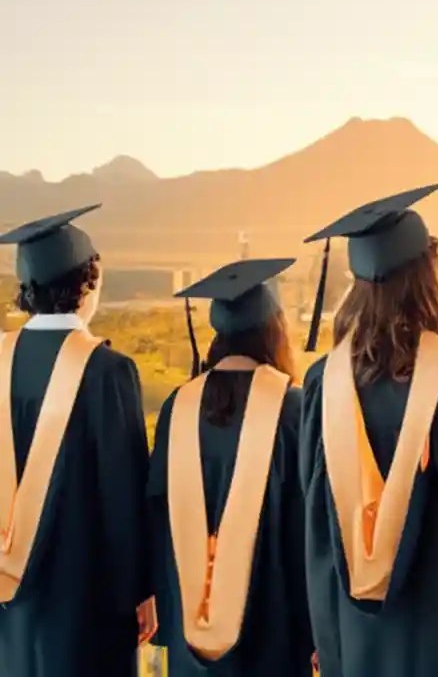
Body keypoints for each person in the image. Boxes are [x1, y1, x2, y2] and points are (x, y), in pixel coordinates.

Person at [299, 185, 438, 676]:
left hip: (356, 638)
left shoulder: (323, 384)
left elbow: (314, 521)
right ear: (428, 277)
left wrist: (325, 632)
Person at [0, 205, 152, 676]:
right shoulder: (107, 371)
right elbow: (123, 497)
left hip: (10, 605)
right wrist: (141, 591)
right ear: (88, 283)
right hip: (87, 606)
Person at [146, 258, 313, 676]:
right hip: (276, 627)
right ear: (274, 328)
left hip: (189, 630)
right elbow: (311, 528)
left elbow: (155, 517)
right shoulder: (295, 408)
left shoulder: (178, 406)